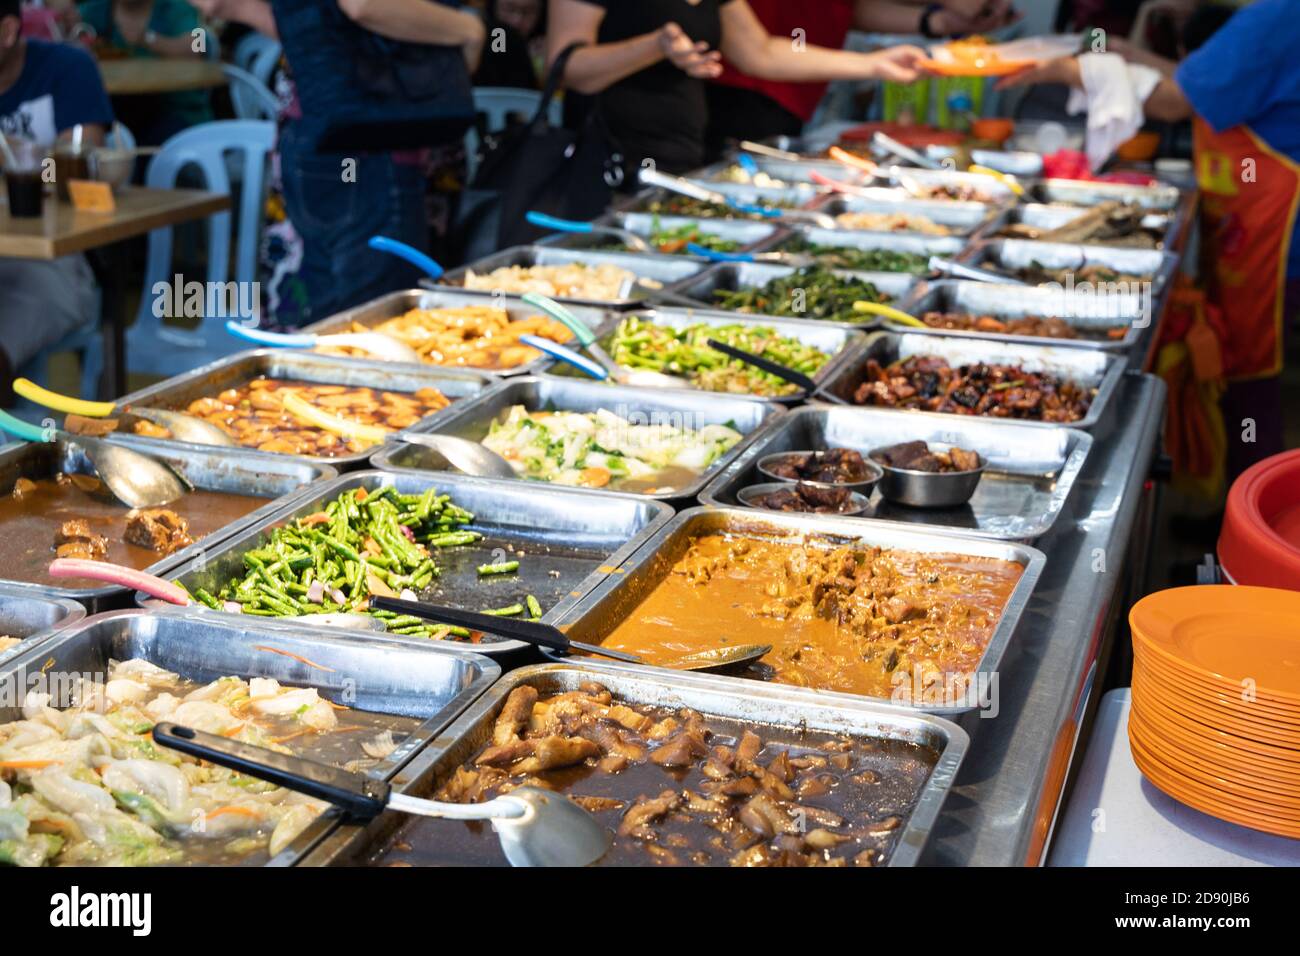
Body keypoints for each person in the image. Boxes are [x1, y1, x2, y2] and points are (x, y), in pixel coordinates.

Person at [1000, 0, 1300, 478]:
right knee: (1243, 367)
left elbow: (1174, 101)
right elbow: (1195, 84)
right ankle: (1241, 505)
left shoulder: (1276, 16)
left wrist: (1068, 70)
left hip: (1278, 234)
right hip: (1252, 222)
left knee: (1251, 374)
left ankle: (1253, 513)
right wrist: (1120, 52)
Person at [188, 0, 483, 326]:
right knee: (376, 329)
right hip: (372, 140)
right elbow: (362, 5)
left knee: (328, 321)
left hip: (320, 135)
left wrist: (305, 33)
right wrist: (466, 29)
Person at [546, 0, 928, 178]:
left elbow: (760, 52)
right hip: (601, 167)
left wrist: (874, 65)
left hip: (680, 161)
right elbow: (566, 68)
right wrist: (653, 46)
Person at [704, 0, 1020, 156]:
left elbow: (840, 9)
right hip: (737, 94)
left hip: (789, 93)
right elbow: (756, 53)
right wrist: (872, 64)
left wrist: (934, 22)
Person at [0, 0, 111, 400]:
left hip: (58, 259)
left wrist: (17, 154)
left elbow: (80, 163)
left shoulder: (67, 68)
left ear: (8, 31)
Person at [77, 0, 215, 143]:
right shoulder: (94, 10)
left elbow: (196, 48)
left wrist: (148, 38)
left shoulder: (178, 8)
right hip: (114, 109)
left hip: (173, 108)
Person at [475, 0, 545, 89]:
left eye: (529, 11)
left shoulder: (547, 42)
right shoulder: (480, 39)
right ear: (493, 7)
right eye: (509, 9)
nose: (517, 21)